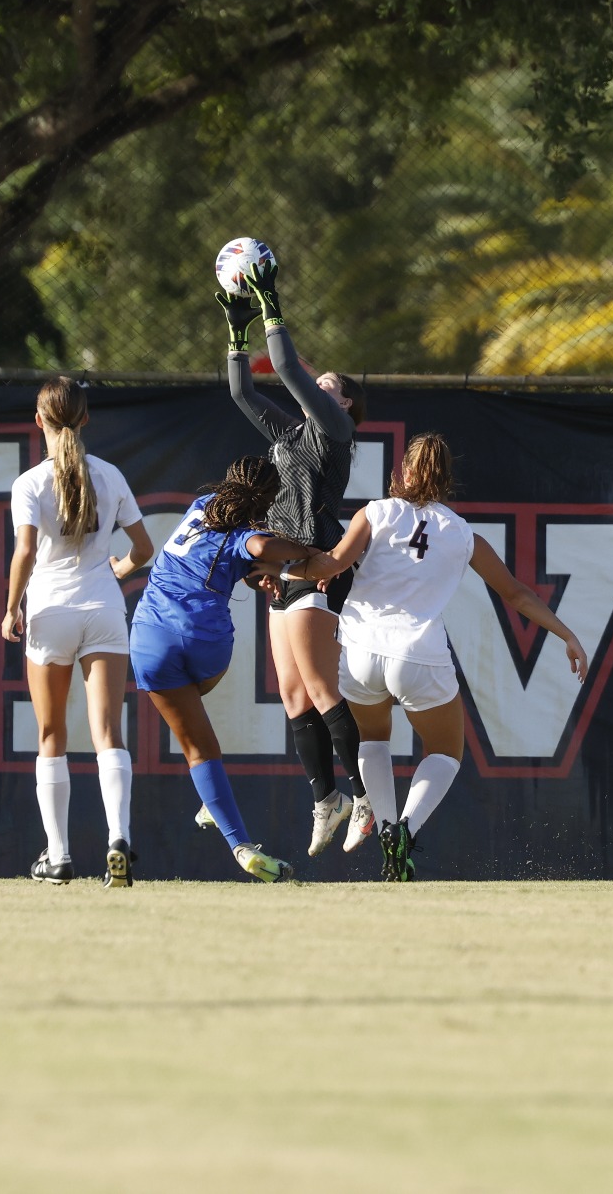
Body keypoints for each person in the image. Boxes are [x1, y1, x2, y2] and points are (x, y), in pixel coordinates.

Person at [286, 433, 589, 880]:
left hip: (362, 648)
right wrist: (566, 634)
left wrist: (280, 568)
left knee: (373, 740)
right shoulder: (464, 534)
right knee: (446, 750)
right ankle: (405, 830)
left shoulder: (375, 512)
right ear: (446, 478)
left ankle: (386, 829)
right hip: (418, 653)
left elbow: (331, 563)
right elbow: (516, 594)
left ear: (405, 471)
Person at [221, 259, 374, 857]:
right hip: (281, 570)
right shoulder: (292, 436)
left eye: (330, 383)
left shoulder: (335, 429)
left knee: (319, 685)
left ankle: (364, 796)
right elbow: (241, 391)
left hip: (314, 562)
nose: (320, 383)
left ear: (344, 403)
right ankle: (326, 799)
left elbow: (285, 367)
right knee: (292, 695)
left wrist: (271, 303)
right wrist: (237, 332)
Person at [129, 455, 334, 882]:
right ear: (268, 500)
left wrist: (255, 570)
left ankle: (236, 839)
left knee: (198, 749)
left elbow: (227, 554)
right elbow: (256, 548)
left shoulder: (201, 506)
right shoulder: (247, 534)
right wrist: (307, 552)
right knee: (200, 727)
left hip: (151, 637)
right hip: (206, 644)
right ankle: (224, 818)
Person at [3, 377, 154, 887]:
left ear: (39, 421)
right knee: (108, 732)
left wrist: (11, 609)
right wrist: (119, 570)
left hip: (50, 610)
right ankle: (119, 840)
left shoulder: (29, 483)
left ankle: (59, 855)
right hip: (104, 608)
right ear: (85, 419)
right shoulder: (110, 475)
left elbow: (26, 552)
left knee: (52, 734)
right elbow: (143, 549)